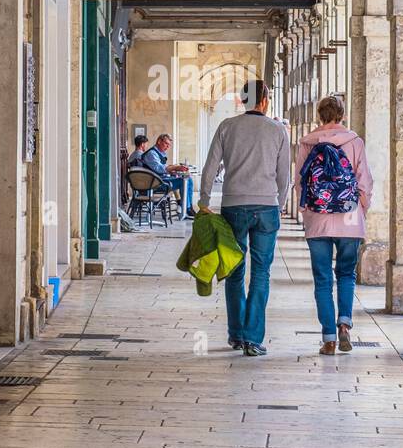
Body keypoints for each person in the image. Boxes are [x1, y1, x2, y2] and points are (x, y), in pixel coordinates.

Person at [198, 79, 291, 356]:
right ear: (264, 101)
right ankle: (252, 338)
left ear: (243, 101)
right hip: (266, 208)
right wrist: (280, 203)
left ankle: (236, 334)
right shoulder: (277, 130)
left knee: (235, 271)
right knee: (261, 272)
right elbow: (283, 174)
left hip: (233, 207)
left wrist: (203, 201)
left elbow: (210, 166)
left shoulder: (227, 127)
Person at [295, 95, 374, 355]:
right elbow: (364, 181)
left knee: (322, 280)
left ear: (319, 115)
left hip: (317, 221)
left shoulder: (307, 143)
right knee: (346, 274)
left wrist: (307, 210)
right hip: (349, 219)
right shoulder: (354, 141)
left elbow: (300, 182)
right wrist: (360, 208)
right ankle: (345, 326)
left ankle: (328, 338)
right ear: (342, 115)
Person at [142, 132, 195, 218]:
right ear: (159, 141)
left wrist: (172, 170)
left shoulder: (159, 153)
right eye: (166, 143)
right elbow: (159, 168)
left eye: (169, 145)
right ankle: (185, 208)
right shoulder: (152, 153)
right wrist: (176, 167)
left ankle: (188, 207)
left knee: (189, 179)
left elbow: (162, 169)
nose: (168, 146)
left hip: (158, 180)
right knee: (183, 181)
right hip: (154, 183)